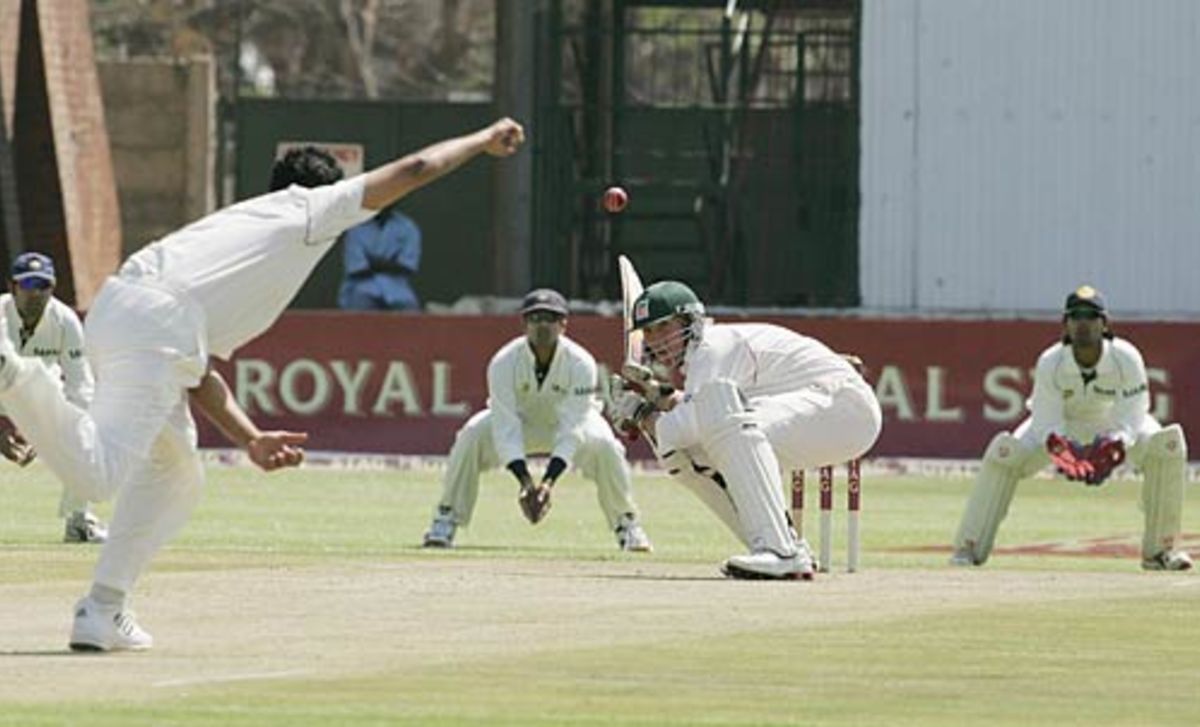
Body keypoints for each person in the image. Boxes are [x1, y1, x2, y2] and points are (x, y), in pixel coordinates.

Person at [0, 117, 525, 652]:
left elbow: (195, 371)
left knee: (176, 470)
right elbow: (414, 169)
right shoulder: (311, 211)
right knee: (98, 477)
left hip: (127, 311)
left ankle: (104, 609)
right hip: (158, 328)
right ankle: (13, 372)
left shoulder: (249, 225)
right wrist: (482, 141)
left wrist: (249, 437)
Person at [610, 280, 881, 579]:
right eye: (648, 331)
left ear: (689, 321)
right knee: (689, 456)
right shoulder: (706, 357)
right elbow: (697, 418)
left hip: (843, 407)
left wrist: (639, 412)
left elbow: (686, 426)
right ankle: (785, 545)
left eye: (663, 327)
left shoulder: (713, 347)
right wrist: (653, 395)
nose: (655, 340)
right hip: (825, 412)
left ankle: (781, 552)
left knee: (722, 427)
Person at [950, 285, 1192, 571]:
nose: (1083, 323)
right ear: (1065, 325)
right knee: (1004, 453)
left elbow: (1134, 415)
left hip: (1111, 423)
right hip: (1064, 424)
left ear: (1104, 323)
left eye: (1091, 316)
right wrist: (1062, 450)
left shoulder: (1126, 358)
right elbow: (1045, 422)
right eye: (1076, 317)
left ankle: (1161, 551)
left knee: (1168, 446)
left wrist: (1114, 446)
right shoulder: (1051, 362)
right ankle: (969, 548)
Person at [423, 288, 652, 552]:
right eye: (535, 318)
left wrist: (547, 483)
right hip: (520, 425)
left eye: (551, 318)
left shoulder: (581, 363)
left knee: (606, 445)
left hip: (566, 426)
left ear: (564, 324)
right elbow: (505, 427)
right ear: (524, 324)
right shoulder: (503, 362)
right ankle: (446, 518)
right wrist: (526, 484)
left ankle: (627, 524)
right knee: (471, 435)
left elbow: (572, 429)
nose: (543, 325)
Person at [0, 252, 107, 543]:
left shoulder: (65, 320)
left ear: (53, 287)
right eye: (28, 284)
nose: (35, 293)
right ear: (12, 287)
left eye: (43, 285)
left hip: (42, 398)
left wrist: (54, 428)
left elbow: (81, 385)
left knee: (88, 429)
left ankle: (79, 521)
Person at [338, 202, 422, 311]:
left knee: (411, 315)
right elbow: (356, 268)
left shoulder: (407, 226)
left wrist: (373, 262)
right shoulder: (356, 228)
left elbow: (408, 266)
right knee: (358, 315)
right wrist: (391, 262)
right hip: (362, 289)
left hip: (398, 290)